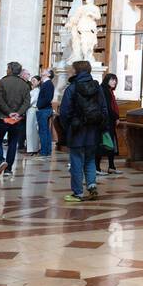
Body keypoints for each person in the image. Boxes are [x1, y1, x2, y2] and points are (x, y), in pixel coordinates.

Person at [59, 60, 109, 202]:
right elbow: (104, 108)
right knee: (90, 159)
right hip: (93, 130)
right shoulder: (97, 88)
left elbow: (64, 112)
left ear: (76, 71)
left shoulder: (72, 88)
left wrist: (67, 127)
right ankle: (92, 186)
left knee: (76, 161)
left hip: (76, 130)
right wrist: (100, 126)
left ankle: (77, 193)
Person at [0, 61, 30, 176]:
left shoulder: (2, 82)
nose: (6, 70)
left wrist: (9, 112)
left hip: (3, 117)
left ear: (10, 70)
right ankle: (8, 170)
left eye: (7, 68)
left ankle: (1, 160)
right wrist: (17, 113)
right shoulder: (24, 84)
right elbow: (26, 102)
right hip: (17, 120)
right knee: (13, 142)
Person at [96, 72, 121, 175]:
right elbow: (107, 107)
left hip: (109, 121)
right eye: (112, 79)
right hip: (105, 121)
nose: (114, 81)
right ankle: (97, 167)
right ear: (107, 80)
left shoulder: (109, 90)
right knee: (103, 144)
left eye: (115, 80)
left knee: (110, 144)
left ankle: (111, 167)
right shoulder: (104, 90)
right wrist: (116, 117)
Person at [35, 68, 55, 156]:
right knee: (45, 131)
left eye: (46, 70)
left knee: (43, 131)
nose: (43, 70)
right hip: (45, 109)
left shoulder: (48, 84)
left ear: (49, 74)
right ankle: (47, 151)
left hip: (44, 110)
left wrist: (39, 106)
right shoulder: (46, 83)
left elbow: (47, 98)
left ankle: (44, 151)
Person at [24, 76, 41, 157]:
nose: (32, 82)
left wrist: (23, 105)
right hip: (30, 110)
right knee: (30, 130)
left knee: (31, 130)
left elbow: (31, 101)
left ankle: (32, 149)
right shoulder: (33, 90)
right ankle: (31, 148)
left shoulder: (37, 91)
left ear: (38, 82)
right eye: (31, 81)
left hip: (32, 110)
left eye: (34, 80)